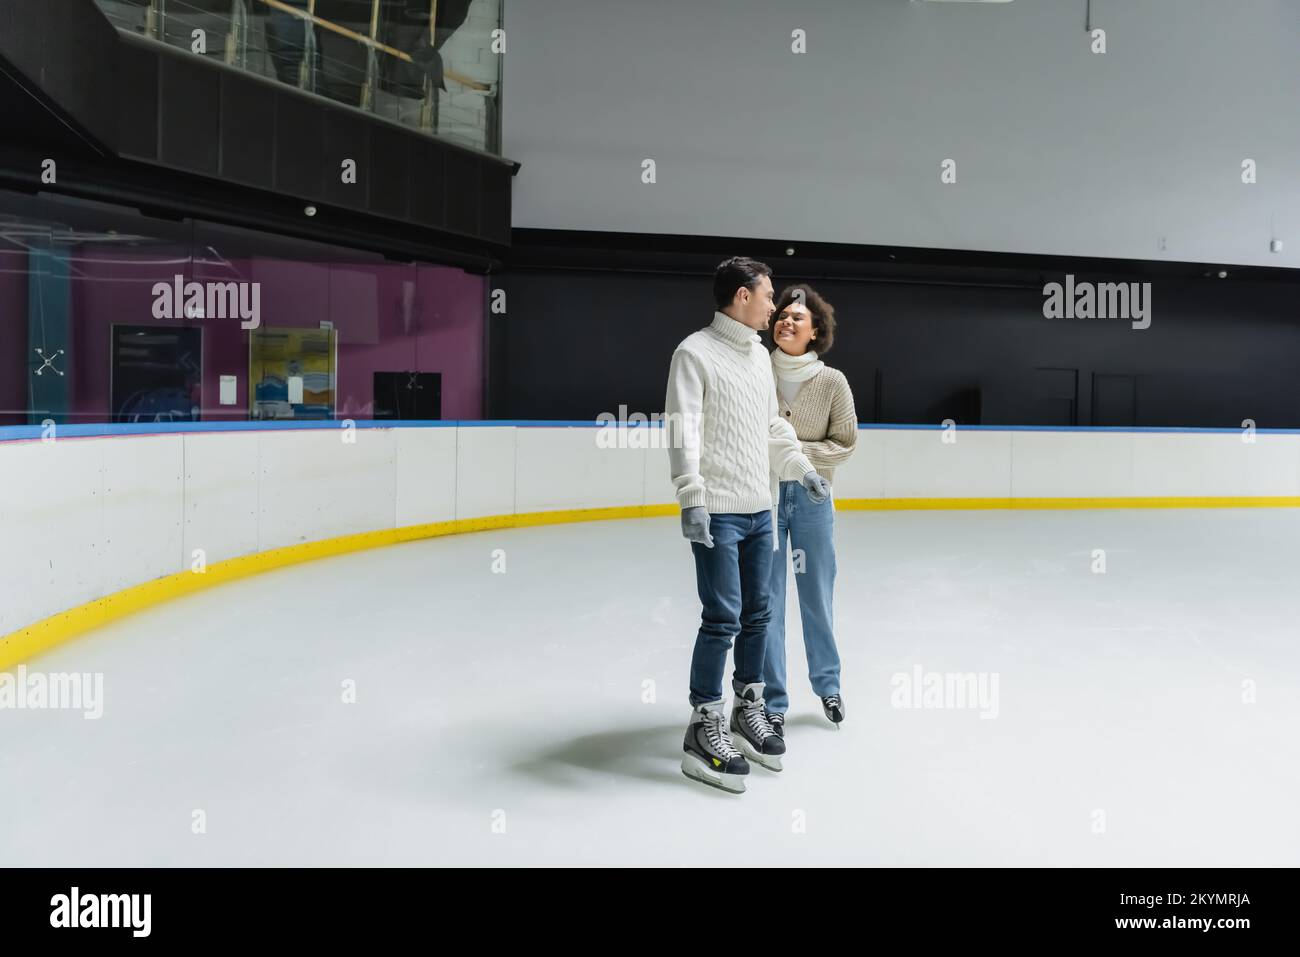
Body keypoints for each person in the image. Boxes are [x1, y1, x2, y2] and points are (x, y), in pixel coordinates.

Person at [664, 258, 832, 793]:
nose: (774, 305)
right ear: (742, 296)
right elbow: (682, 429)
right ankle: (703, 724)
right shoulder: (694, 353)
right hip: (717, 507)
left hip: (760, 507)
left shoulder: (759, 357)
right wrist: (691, 497)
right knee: (723, 617)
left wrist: (803, 468)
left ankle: (747, 707)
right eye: (768, 295)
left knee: (760, 614)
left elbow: (770, 430)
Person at [763, 285, 857, 733]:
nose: (786, 320)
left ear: (815, 330)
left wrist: (792, 453)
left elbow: (844, 445)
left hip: (812, 498)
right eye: (781, 314)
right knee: (768, 599)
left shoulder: (832, 381)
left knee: (816, 594)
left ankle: (828, 685)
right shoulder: (756, 371)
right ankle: (772, 700)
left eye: (797, 317)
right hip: (762, 498)